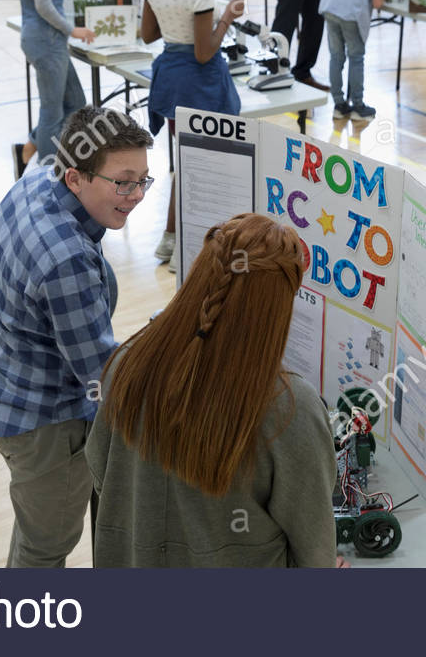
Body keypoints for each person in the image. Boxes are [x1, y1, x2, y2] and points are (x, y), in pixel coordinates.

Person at [86, 213, 338, 567]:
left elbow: (100, 473)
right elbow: (314, 546)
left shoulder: (126, 364)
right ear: (276, 307)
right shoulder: (290, 409)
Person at [0, 106, 153, 567]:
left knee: (35, 527)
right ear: (75, 178)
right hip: (47, 423)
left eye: (143, 180)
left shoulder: (36, 180)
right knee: (45, 548)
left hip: (0, 387)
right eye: (123, 182)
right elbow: (102, 376)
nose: (136, 196)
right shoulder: (65, 258)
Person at [139, 0, 243, 271]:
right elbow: (204, 52)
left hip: (169, 80)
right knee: (207, 166)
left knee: (185, 163)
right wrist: (226, 18)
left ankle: (171, 239)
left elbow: (148, 34)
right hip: (203, 85)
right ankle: (194, 242)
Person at [11, 0, 96, 174]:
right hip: (48, 40)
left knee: (76, 102)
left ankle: (29, 148)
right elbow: (44, 5)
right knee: (52, 112)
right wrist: (74, 30)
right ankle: (47, 176)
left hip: (35, 37)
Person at [318, 0, 406, 123]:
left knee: (336, 56)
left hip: (329, 6)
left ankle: (339, 105)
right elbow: (376, 2)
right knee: (356, 58)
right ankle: (358, 106)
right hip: (351, 13)